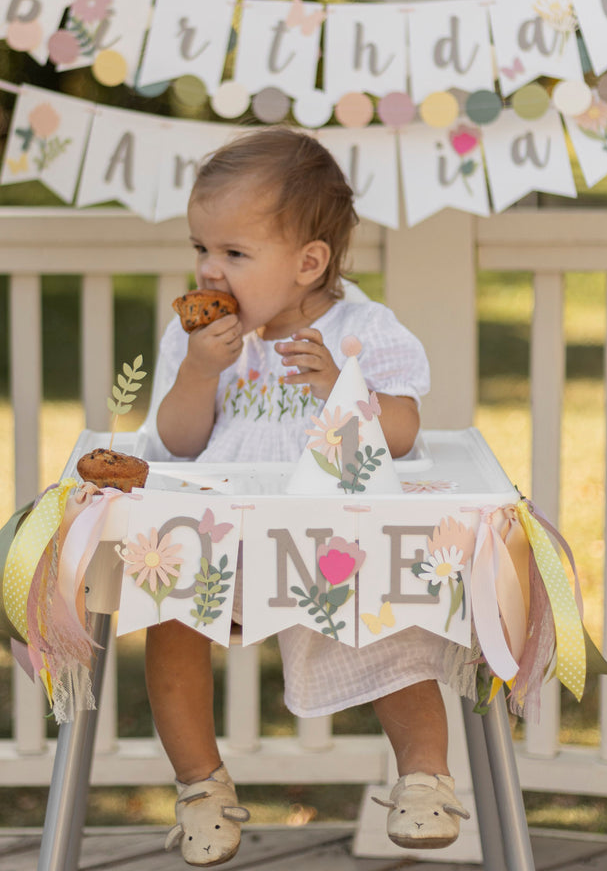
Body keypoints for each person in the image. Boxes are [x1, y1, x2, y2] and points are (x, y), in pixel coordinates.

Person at [138, 128, 472, 866]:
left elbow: (403, 433)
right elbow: (178, 442)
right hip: (229, 536)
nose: (208, 270)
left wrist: (341, 389)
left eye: (234, 253)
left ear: (308, 263)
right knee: (170, 614)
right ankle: (201, 787)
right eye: (201, 247)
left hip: (334, 540)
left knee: (392, 625)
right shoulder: (202, 339)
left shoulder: (360, 330)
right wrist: (198, 372)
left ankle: (425, 777)